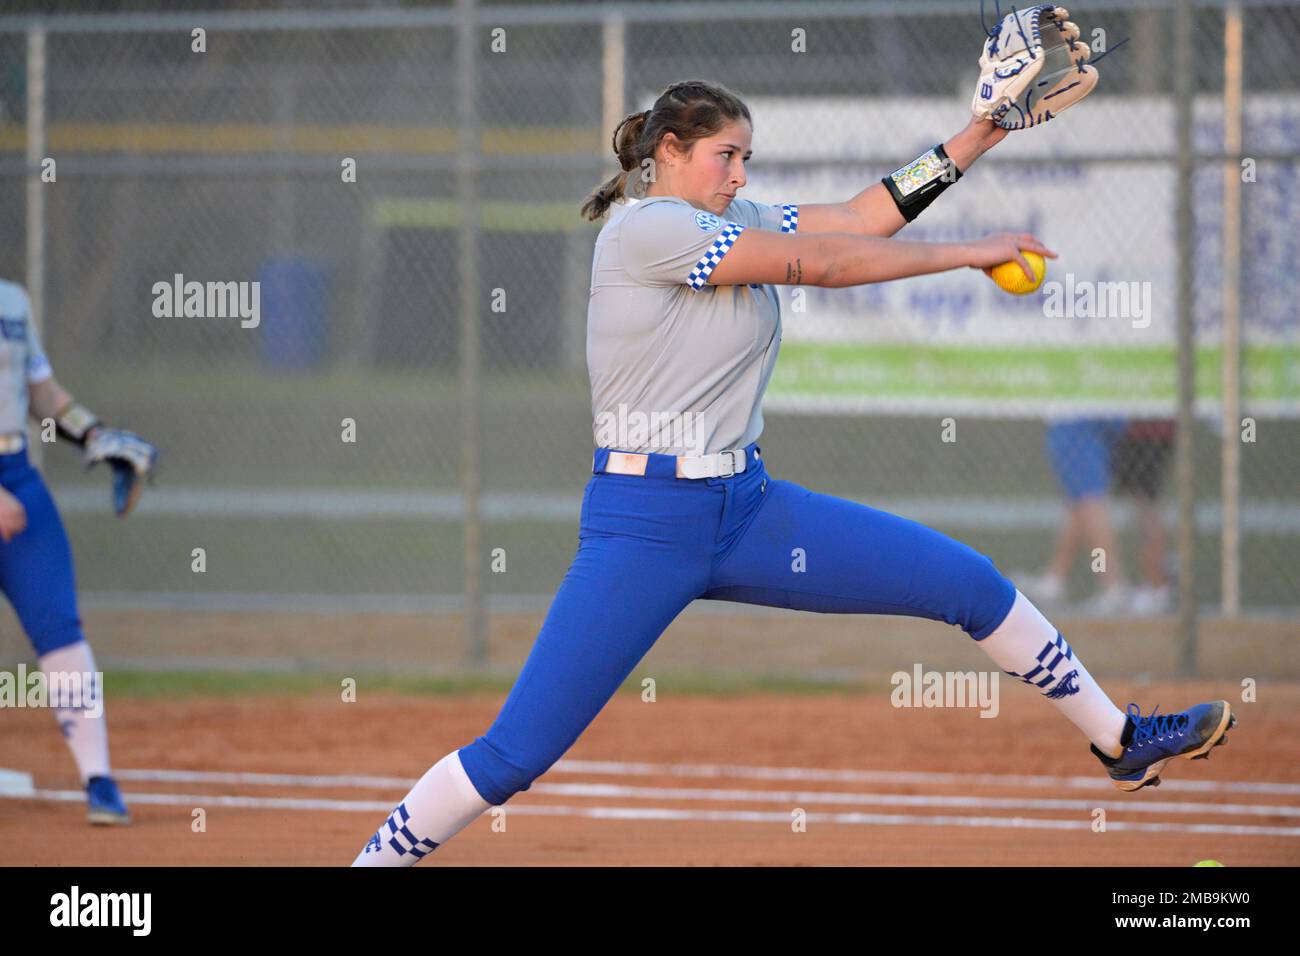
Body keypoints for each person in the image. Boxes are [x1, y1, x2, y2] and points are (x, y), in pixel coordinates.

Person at [352, 22, 1236, 866]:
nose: (738, 174)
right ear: (668, 153)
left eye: (745, 159)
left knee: (970, 585)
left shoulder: (727, 218)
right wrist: (969, 251)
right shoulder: (648, 229)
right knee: (515, 758)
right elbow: (825, 264)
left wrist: (982, 130)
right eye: (722, 156)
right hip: (644, 525)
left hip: (749, 509)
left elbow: (862, 218)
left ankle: (1119, 739)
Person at [0, 278, 157, 825]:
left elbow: (42, 395)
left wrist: (94, 434)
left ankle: (99, 780)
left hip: (16, 473)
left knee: (60, 628)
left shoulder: (12, 301)